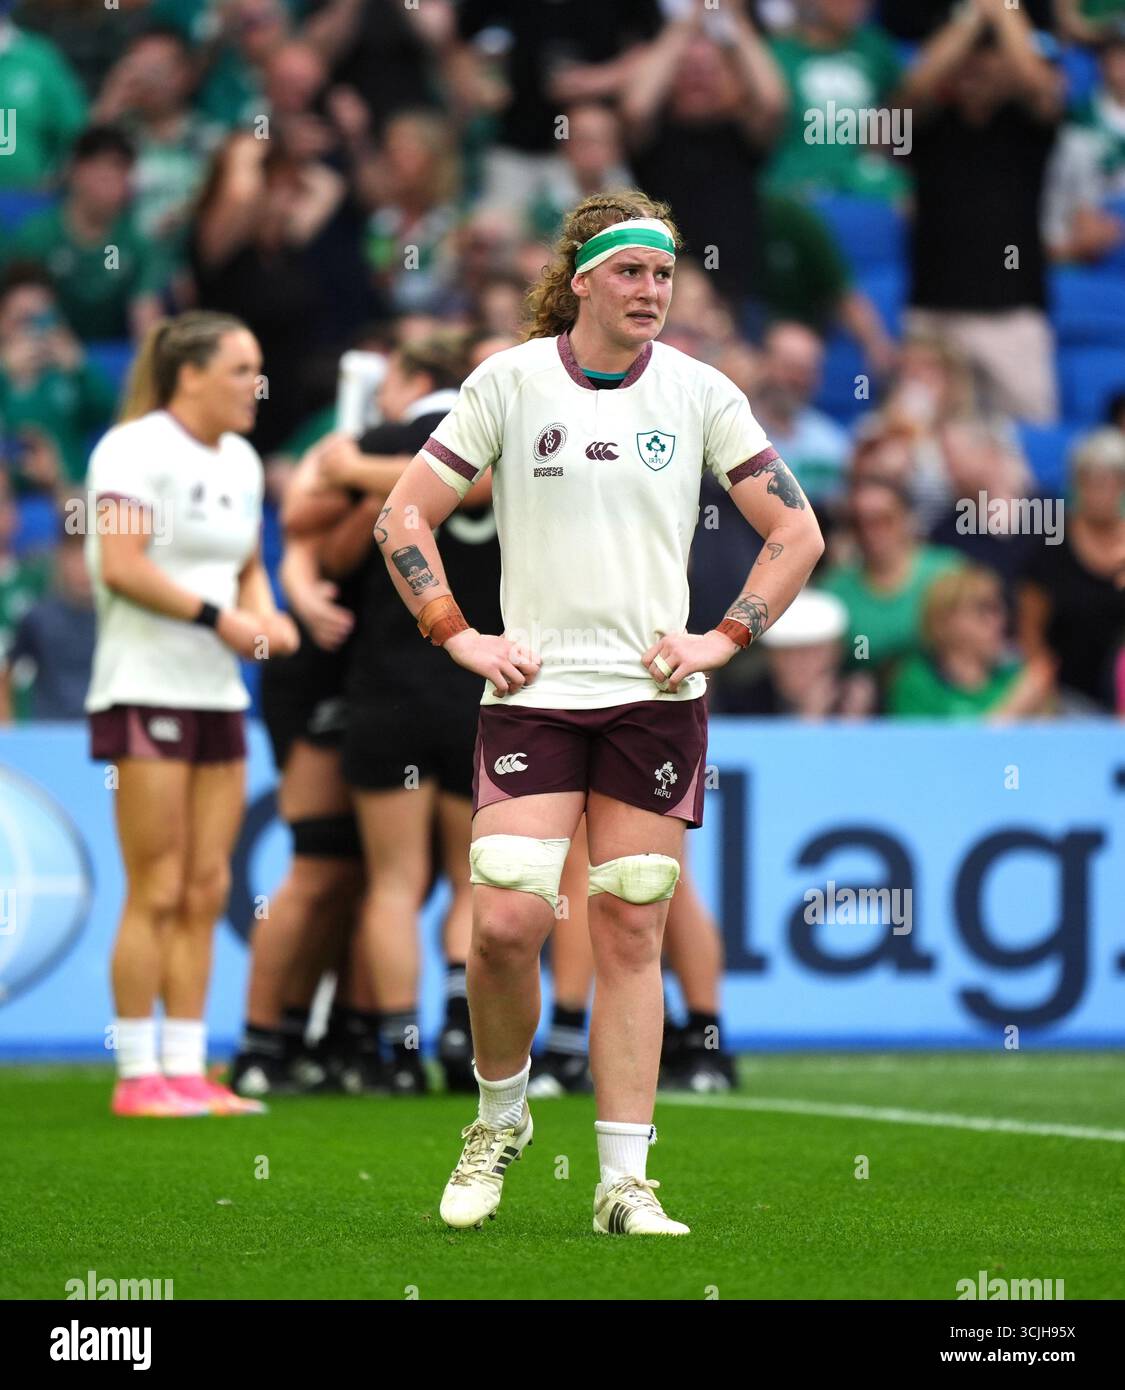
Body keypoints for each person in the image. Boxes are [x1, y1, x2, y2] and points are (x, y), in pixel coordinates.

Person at [374, 190, 824, 1235]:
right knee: (506, 920)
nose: (653, 291)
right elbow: (407, 514)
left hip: (654, 701)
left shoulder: (703, 391)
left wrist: (724, 637)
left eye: (666, 274)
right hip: (533, 696)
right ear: (580, 280)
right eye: (632, 272)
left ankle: (624, 1182)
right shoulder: (512, 380)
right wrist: (458, 633)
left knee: (630, 923)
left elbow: (796, 531)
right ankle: (499, 1118)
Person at [85, 310, 298, 1118]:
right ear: (191, 375)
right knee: (159, 884)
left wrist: (266, 614)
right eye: (241, 369)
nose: (256, 385)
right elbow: (123, 566)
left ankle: (186, 1065)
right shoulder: (132, 449)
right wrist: (223, 621)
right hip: (143, 688)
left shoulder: (242, 460)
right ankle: (137, 1071)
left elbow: (247, 567)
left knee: (207, 886)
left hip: (216, 696)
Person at [898, 0, 1064, 422]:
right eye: (969, 53)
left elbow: (1039, 84)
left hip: (1013, 315)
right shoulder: (930, 124)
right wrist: (974, 17)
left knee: (1029, 448)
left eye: (989, 52)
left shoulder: (1027, 125)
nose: (976, 64)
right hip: (934, 312)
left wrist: (1001, 11)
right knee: (916, 440)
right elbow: (912, 90)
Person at [3, 126, 169, 343]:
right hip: (44, 347)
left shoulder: (135, 243)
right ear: (77, 171)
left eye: (122, 171)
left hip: (110, 357)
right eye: (105, 170)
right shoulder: (37, 237)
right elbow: (19, 311)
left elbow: (146, 313)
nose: (114, 182)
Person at [1019, 427, 1125, 711]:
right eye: (1092, 481)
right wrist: (1045, 691)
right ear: (1077, 484)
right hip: (1067, 694)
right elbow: (1030, 629)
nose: (1101, 492)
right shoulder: (1052, 544)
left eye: (1111, 481)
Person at [821, 476, 963, 685]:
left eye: (882, 519)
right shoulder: (835, 591)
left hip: (942, 701)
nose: (870, 532)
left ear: (906, 518)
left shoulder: (948, 573)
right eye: (859, 523)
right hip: (869, 708)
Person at [890, 566, 1056, 720]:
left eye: (999, 609)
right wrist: (1013, 710)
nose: (999, 621)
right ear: (943, 622)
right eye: (984, 610)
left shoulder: (1016, 675)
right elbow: (925, 750)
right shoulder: (917, 682)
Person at [0, 528, 95, 722]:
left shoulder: (117, 619)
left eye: (87, 556)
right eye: (74, 558)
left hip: (103, 730)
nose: (81, 568)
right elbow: (6, 672)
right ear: (61, 560)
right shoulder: (38, 617)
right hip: (49, 731)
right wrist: (6, 731)